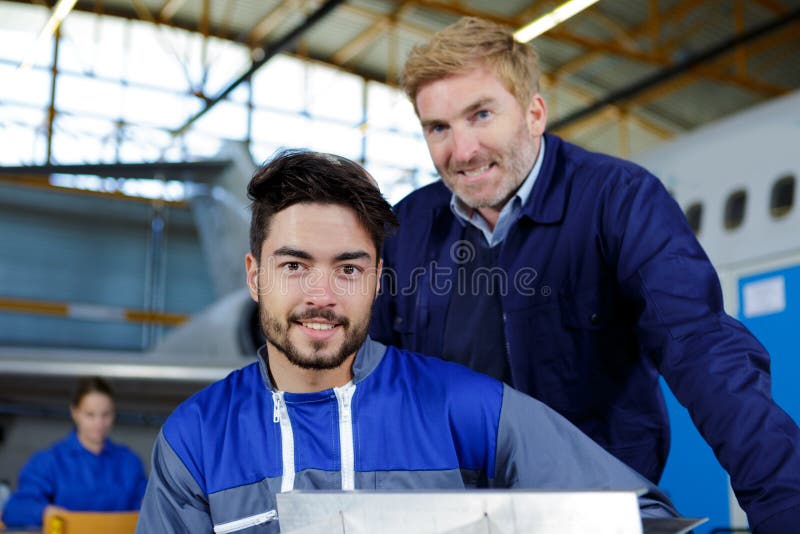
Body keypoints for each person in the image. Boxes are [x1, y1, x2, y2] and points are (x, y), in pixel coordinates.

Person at [368, 16, 800, 534]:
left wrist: (785, 507)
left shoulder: (619, 201)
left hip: (599, 512)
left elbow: (704, 351)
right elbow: (372, 387)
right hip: (457, 516)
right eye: (438, 128)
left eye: (481, 114)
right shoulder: (405, 231)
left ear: (534, 114)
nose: (461, 152)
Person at [136, 150, 677, 533]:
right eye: (295, 266)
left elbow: (642, 519)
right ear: (254, 276)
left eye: (348, 269)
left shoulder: (467, 410)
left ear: (376, 280)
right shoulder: (195, 441)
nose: (321, 295)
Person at [1, 376, 147, 528]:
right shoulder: (49, 461)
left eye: (106, 414)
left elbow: (149, 508)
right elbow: (14, 509)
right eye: (90, 415)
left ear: (114, 413)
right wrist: (44, 512)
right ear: (75, 412)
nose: (99, 423)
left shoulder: (129, 462)